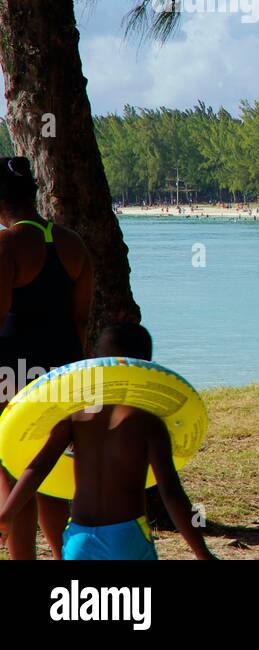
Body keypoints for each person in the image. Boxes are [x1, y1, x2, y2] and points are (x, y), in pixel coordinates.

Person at [0, 323, 214, 560]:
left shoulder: (77, 416)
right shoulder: (148, 423)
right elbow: (171, 492)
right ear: (145, 365)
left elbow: (38, 467)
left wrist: (7, 513)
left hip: (79, 536)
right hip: (125, 535)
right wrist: (201, 552)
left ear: (95, 361)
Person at [0, 156, 94, 560]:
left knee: (11, 468)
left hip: (12, 372)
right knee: (50, 472)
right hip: (62, 373)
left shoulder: (7, 245)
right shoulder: (73, 244)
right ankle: (63, 559)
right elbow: (81, 321)